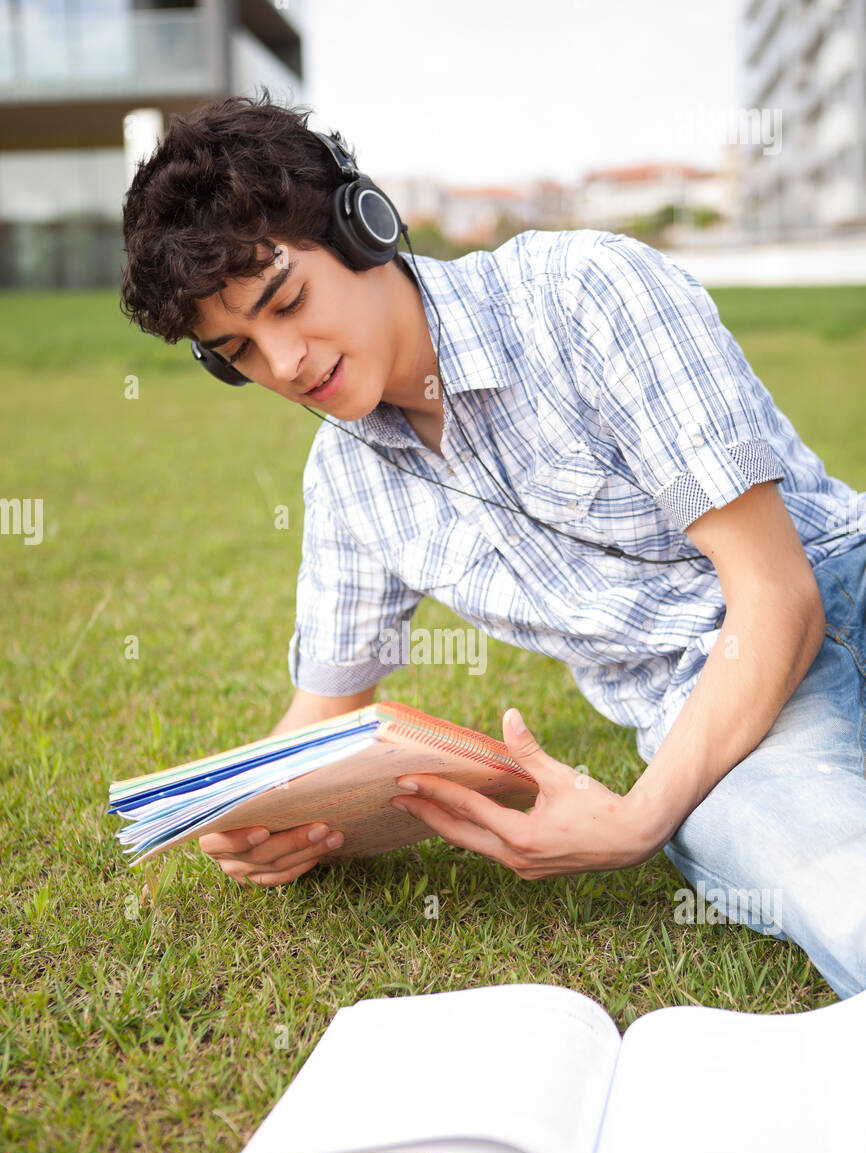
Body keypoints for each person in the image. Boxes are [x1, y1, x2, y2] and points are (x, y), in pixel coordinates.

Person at [120, 94, 866, 999]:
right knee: (833, 880)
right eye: (238, 349)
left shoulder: (588, 294)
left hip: (832, 579)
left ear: (366, 228)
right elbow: (321, 714)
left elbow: (778, 592)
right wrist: (256, 813)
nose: (284, 365)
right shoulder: (349, 482)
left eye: (289, 303)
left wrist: (637, 820)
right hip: (721, 720)